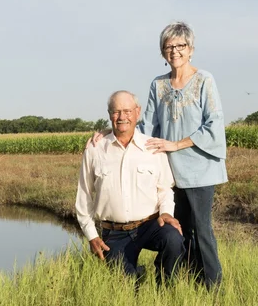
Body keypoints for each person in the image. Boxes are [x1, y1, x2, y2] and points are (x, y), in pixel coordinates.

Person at [89, 21, 227, 289]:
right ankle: (181, 282)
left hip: (200, 171)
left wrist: (176, 144)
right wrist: (112, 129)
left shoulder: (204, 80)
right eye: (169, 46)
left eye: (180, 45)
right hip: (170, 171)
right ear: (163, 52)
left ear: (191, 49)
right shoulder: (158, 84)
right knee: (178, 230)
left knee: (201, 231)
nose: (175, 51)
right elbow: (146, 125)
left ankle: (212, 287)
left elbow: (214, 125)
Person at [75, 90, 184, 285]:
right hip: (114, 231)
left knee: (173, 239)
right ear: (109, 114)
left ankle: (166, 287)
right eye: (116, 112)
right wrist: (92, 236)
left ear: (137, 112)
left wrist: (167, 213)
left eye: (127, 111)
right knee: (126, 288)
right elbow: (84, 196)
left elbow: (165, 189)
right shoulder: (94, 150)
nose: (122, 117)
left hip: (150, 225)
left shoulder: (152, 147)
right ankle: (137, 274)